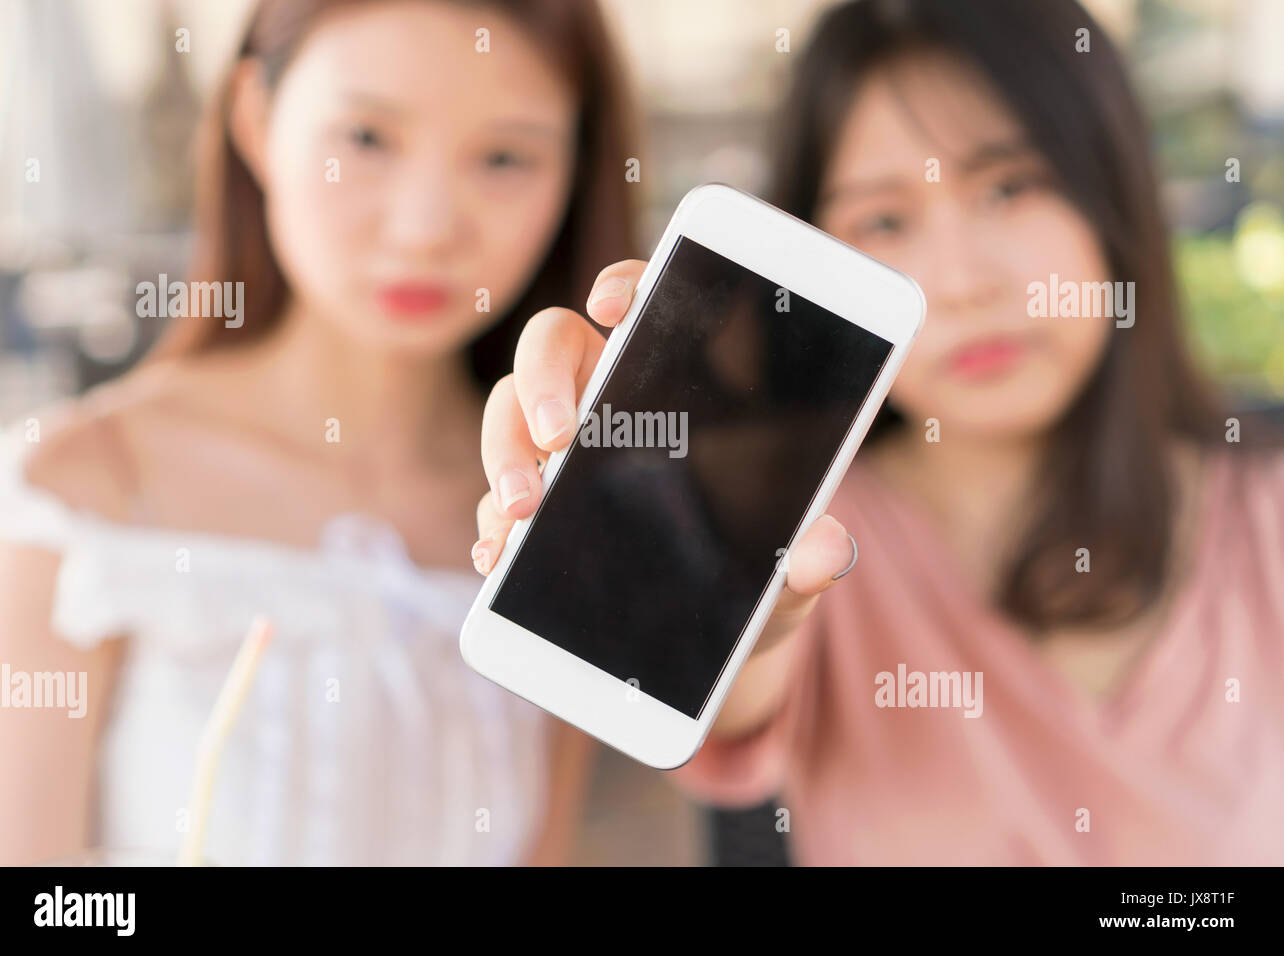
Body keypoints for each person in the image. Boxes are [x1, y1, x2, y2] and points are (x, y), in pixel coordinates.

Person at [472, 0, 1284, 865]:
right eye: (884, 221)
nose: (962, 281)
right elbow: (742, 695)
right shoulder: (805, 529)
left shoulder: (1263, 513)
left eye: (1009, 186)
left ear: (1112, 189)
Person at [0, 0, 637, 866]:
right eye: (366, 138)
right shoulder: (79, 488)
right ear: (255, 118)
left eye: (506, 156)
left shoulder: (554, 514)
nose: (425, 225)